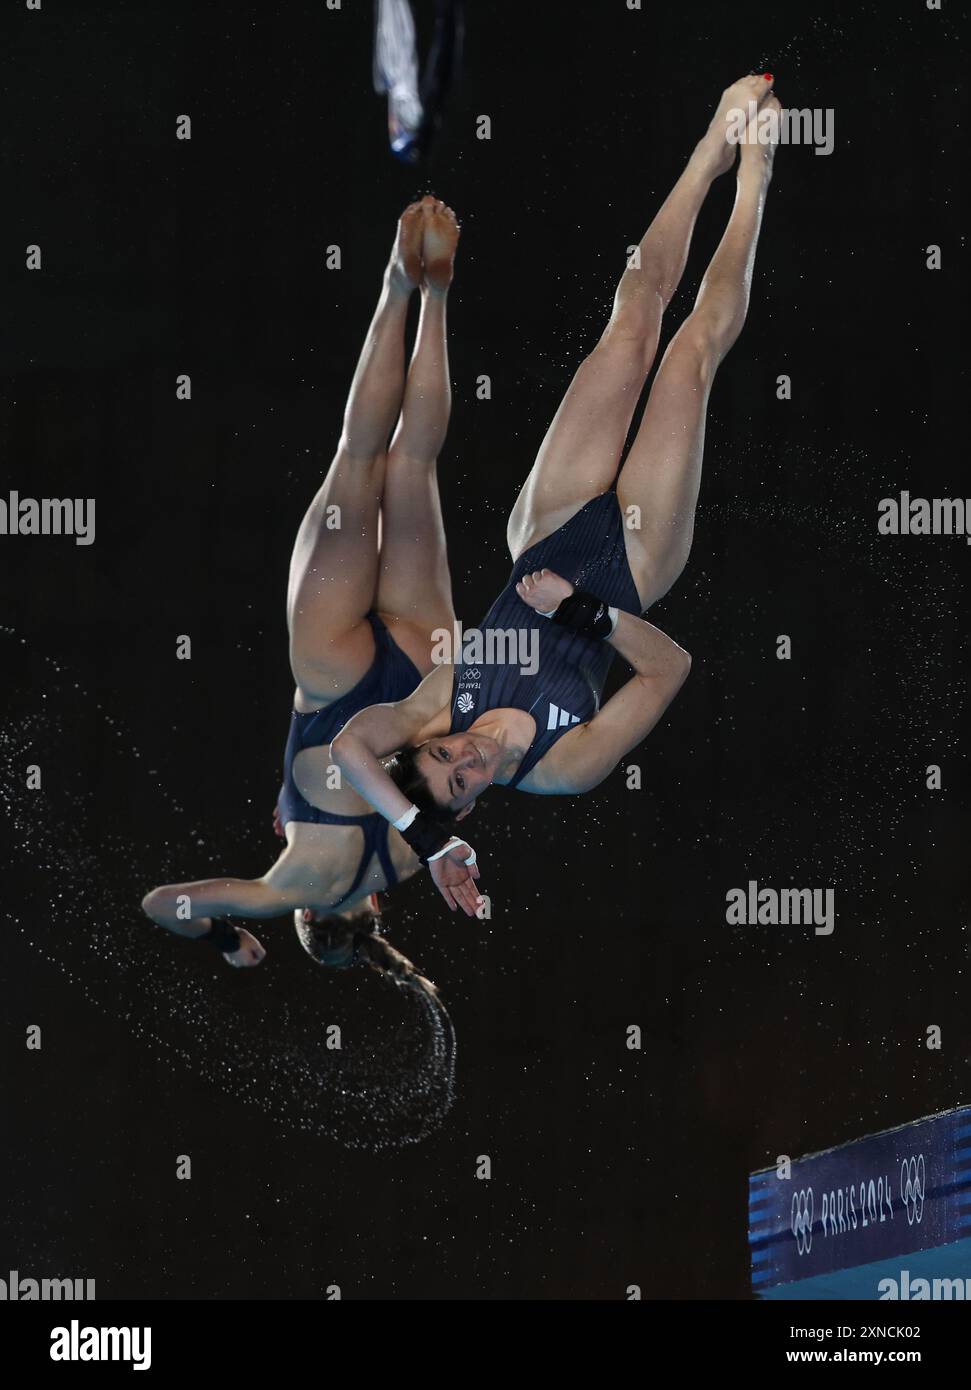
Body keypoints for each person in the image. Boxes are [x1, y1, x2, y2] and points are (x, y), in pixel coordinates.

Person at [331, 76, 782, 916]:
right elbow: (668, 669)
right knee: (690, 357)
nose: (466, 758)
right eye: (461, 779)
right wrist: (585, 614)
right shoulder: (560, 770)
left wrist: (423, 840)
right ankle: (755, 177)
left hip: (546, 528)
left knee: (632, 322)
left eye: (445, 755)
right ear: (471, 805)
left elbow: (350, 745)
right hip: (632, 572)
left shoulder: (444, 700)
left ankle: (704, 158)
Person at [142, 197, 464, 972]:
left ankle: (438, 295)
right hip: (330, 671)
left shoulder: (409, 861)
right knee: (358, 457)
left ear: (374, 910)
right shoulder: (287, 885)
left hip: (425, 676)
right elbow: (162, 905)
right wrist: (227, 938)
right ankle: (395, 283)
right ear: (308, 919)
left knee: (413, 466)